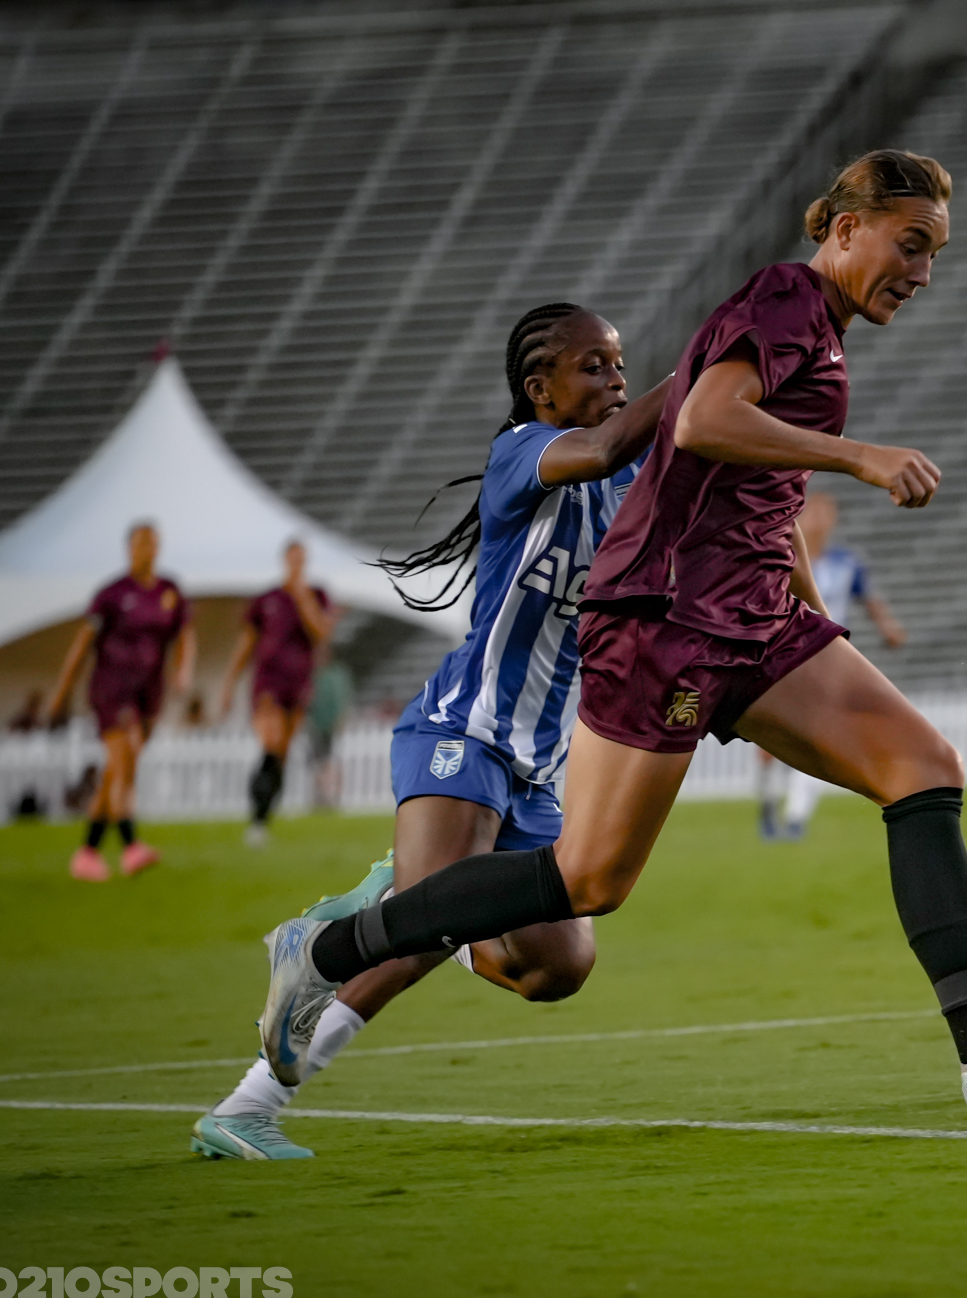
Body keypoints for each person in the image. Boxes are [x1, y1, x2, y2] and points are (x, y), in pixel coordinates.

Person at [253, 150, 967, 1126]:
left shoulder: (822, 333)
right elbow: (708, 419)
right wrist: (860, 458)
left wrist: (811, 616)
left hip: (751, 618)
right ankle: (325, 955)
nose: (922, 271)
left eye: (934, 254)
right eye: (909, 244)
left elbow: (763, 495)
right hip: (665, 620)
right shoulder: (783, 300)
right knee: (589, 881)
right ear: (844, 232)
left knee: (923, 764)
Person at [190, 302, 669, 1161]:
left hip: (537, 764)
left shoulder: (629, 493)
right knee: (423, 928)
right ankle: (248, 1105)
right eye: (593, 366)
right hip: (465, 728)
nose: (617, 378)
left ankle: (415, 901)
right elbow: (606, 444)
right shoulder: (525, 452)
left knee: (559, 963)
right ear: (540, 388)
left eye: (620, 363)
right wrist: (707, 365)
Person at [44, 522, 196, 880]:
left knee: (118, 769)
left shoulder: (169, 591)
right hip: (112, 690)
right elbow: (82, 645)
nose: (149, 549)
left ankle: (87, 853)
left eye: (154, 543)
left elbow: (185, 635)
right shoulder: (112, 594)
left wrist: (184, 668)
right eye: (142, 543)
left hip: (149, 693)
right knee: (123, 760)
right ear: (129, 548)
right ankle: (131, 847)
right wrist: (61, 692)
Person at [755, 489, 906, 840]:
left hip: (826, 656)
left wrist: (888, 628)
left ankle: (794, 819)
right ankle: (767, 802)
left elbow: (869, 599)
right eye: (815, 512)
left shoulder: (846, 562)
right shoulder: (783, 555)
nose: (821, 519)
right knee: (769, 744)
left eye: (828, 512)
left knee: (819, 736)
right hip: (781, 653)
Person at [218, 541, 335, 847]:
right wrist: (229, 684)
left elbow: (322, 633)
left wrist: (303, 600)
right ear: (285, 560)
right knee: (270, 744)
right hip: (267, 684)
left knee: (281, 753)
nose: (297, 565)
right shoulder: (267, 599)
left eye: (302, 560)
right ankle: (256, 820)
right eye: (293, 559)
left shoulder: (316, 596)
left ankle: (262, 819)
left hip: (297, 686)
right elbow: (246, 645)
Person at [305, 656, 354, 811]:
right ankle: (321, 796)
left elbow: (343, 698)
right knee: (318, 762)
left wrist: (340, 717)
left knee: (329, 761)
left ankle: (331, 796)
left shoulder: (335, 675)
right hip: (316, 726)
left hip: (330, 726)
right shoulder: (314, 675)